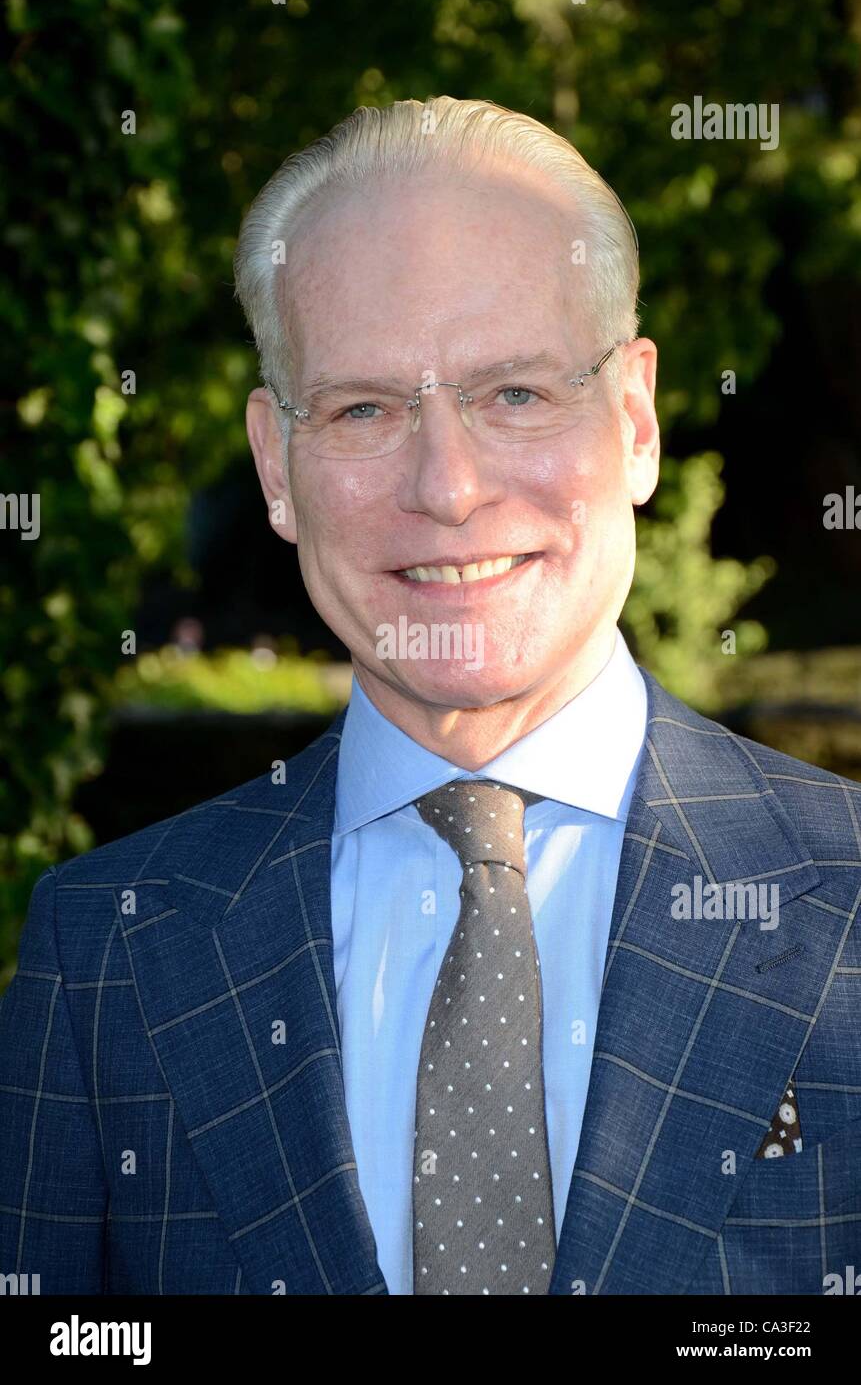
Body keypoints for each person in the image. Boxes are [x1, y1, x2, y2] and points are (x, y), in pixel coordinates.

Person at [1, 96, 858, 1297]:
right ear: (274, 465)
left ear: (635, 419)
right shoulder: (105, 958)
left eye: (515, 393)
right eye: (363, 408)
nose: (448, 486)